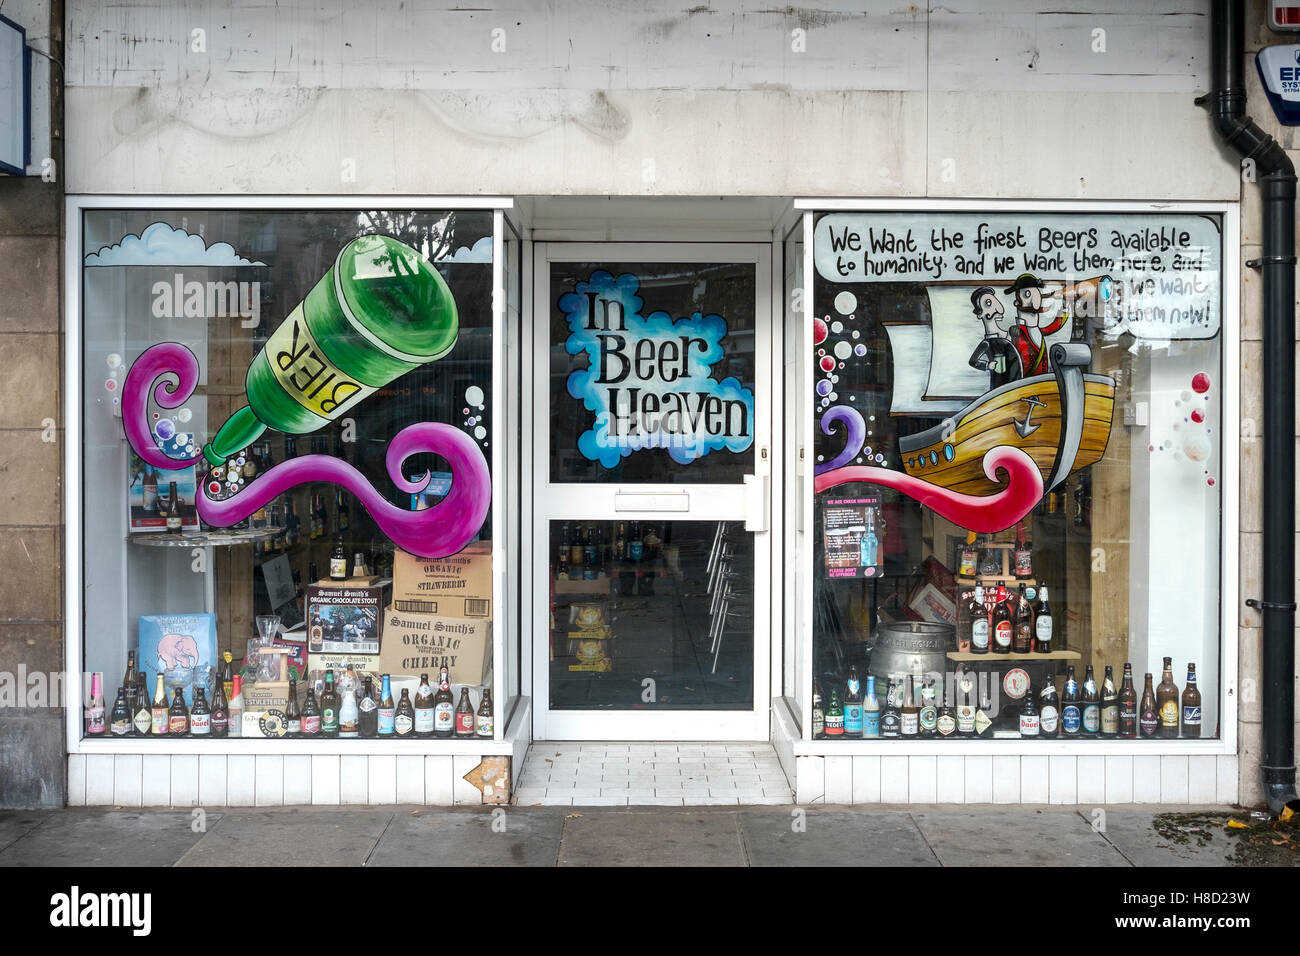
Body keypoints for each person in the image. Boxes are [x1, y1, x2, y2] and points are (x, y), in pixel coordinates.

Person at [1003, 273, 1067, 377]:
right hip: (1026, 385)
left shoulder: (1035, 331)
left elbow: (1053, 327)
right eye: (1027, 294)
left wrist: (1063, 309)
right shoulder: (1017, 332)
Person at [966, 286, 1020, 387]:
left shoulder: (1008, 334)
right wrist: (987, 365)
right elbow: (973, 361)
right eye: (988, 303)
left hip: (1016, 385)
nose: (997, 308)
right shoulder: (987, 343)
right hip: (999, 388)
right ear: (980, 313)